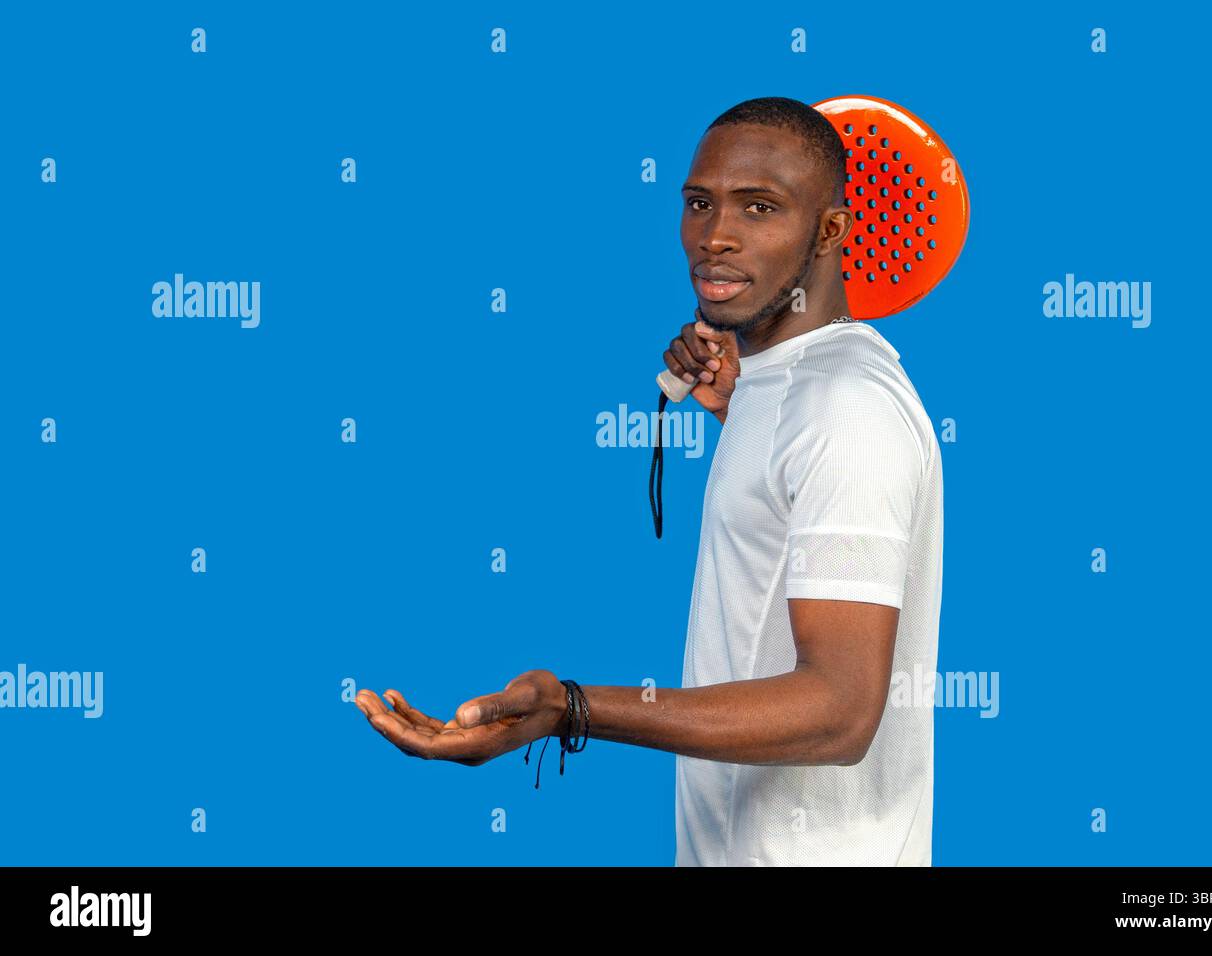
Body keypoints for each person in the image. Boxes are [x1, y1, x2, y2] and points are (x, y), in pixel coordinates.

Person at [354, 96, 944, 867]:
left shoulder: (847, 409)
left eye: (759, 207)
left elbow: (840, 711)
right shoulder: (784, 388)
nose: (715, 237)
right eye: (700, 203)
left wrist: (568, 708)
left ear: (830, 231)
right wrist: (744, 413)